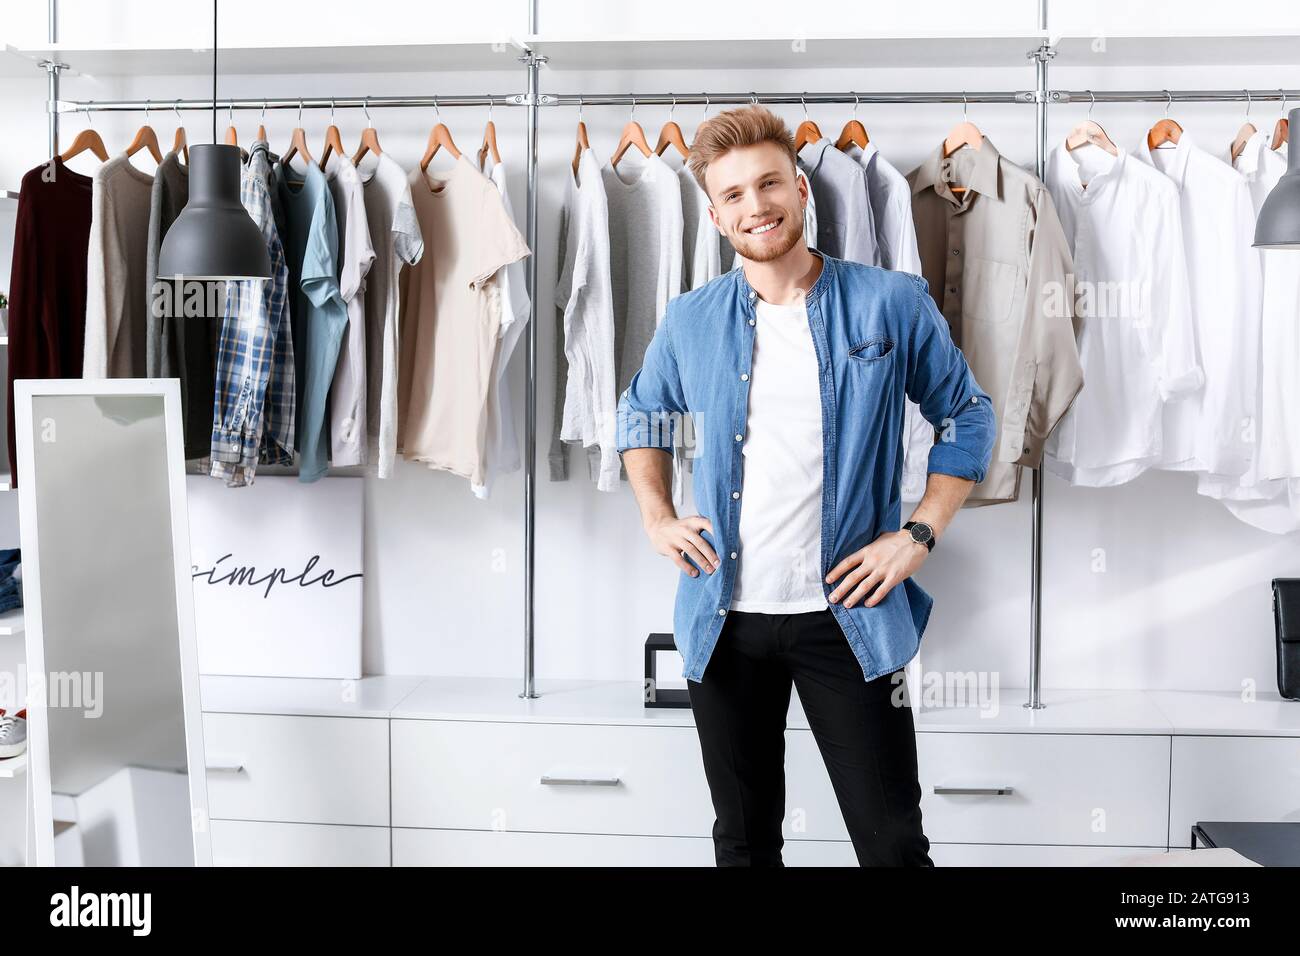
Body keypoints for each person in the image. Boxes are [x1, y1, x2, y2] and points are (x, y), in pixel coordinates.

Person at [616, 105, 996, 866]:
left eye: (769, 184)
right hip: (725, 622)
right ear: (717, 215)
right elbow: (640, 414)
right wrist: (657, 516)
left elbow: (968, 416)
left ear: (801, 188)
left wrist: (918, 533)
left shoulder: (889, 301)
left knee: (892, 844)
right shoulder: (690, 319)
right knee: (746, 844)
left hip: (848, 619)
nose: (756, 205)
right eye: (734, 195)